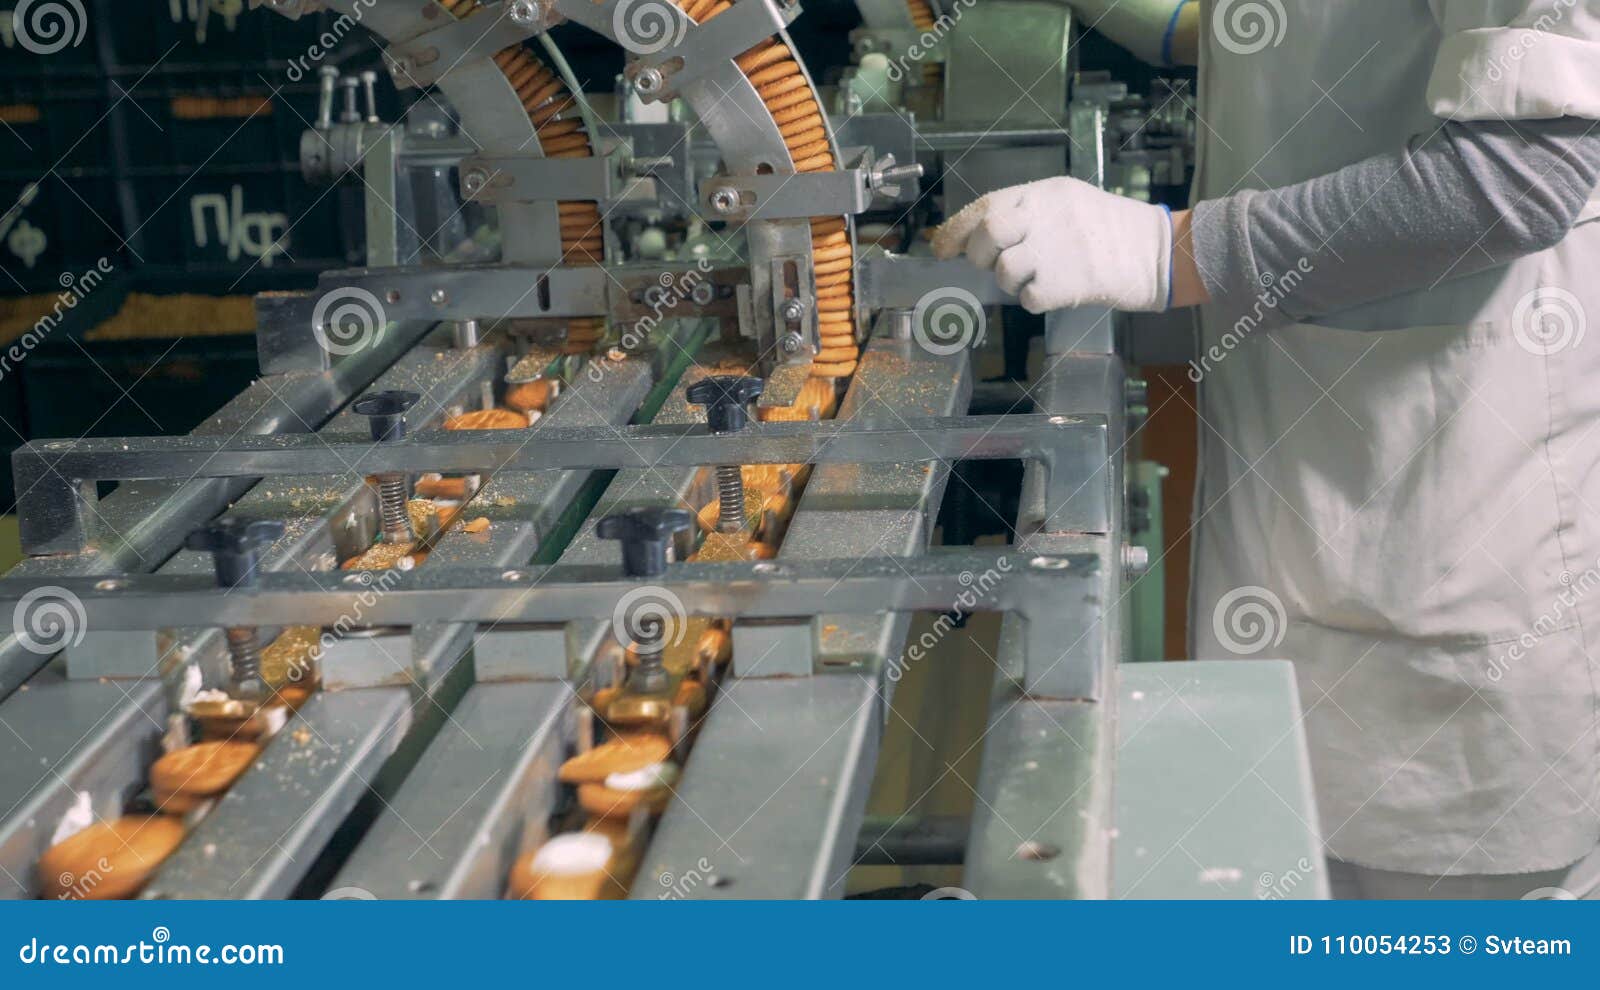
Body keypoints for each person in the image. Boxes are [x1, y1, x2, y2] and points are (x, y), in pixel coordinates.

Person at [935, 0, 1600, 898]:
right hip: (1328, 497)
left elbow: (1522, 173)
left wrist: (1169, 250)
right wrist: (1180, 23)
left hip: (1452, 535)